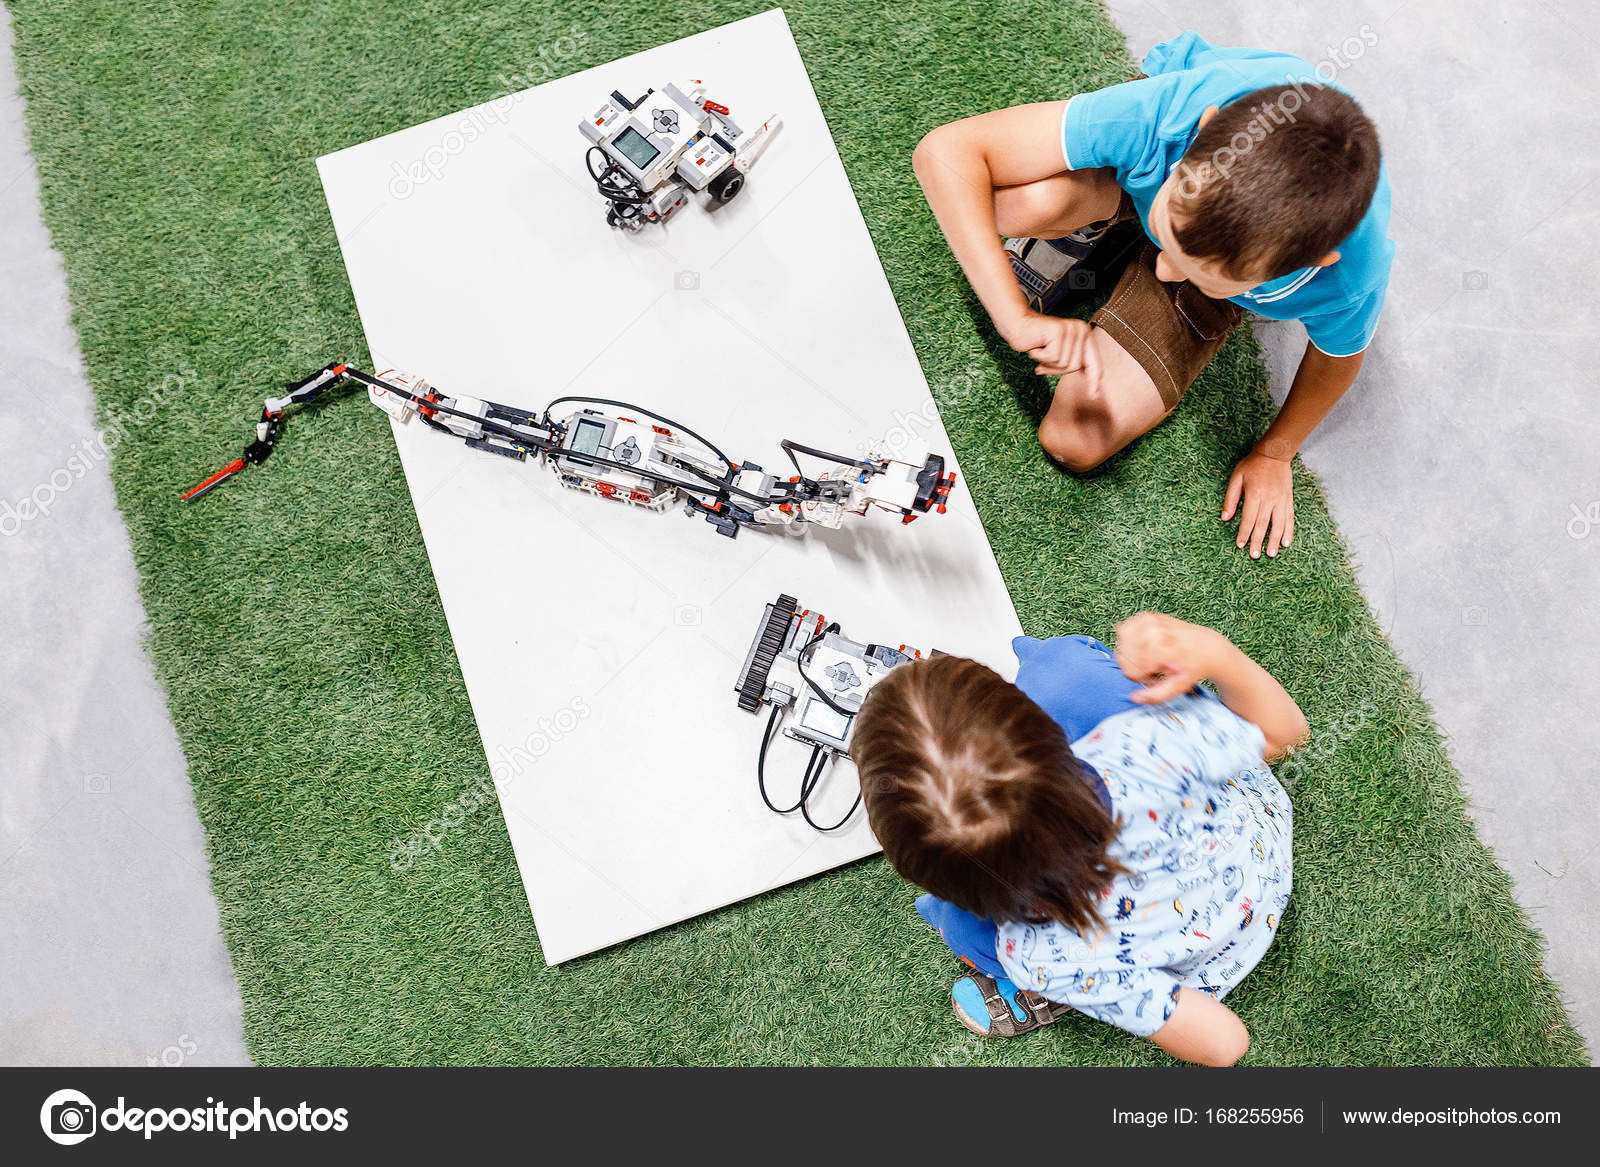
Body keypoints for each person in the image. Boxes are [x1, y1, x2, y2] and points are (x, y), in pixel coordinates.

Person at [911, 31, 1394, 559]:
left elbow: (1338, 357)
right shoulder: (1171, 111)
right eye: (1170, 237)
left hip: (1169, 194)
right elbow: (947, 153)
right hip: (1137, 175)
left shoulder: (1348, 277)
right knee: (1015, 204)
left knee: (1075, 439)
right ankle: (1099, 218)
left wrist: (1276, 454)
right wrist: (1014, 317)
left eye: (1201, 272)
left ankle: (1147, 234)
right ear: (1205, 132)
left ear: (1306, 265)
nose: (1165, 270)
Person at [851, 612, 1308, 1065]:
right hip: (1259, 849)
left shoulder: (1034, 955)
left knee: (958, 929)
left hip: (1201, 965)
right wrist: (1215, 652)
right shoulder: (1143, 747)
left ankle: (1055, 993)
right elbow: (1284, 733)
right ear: (1048, 730)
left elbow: (1227, 1044)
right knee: (1062, 665)